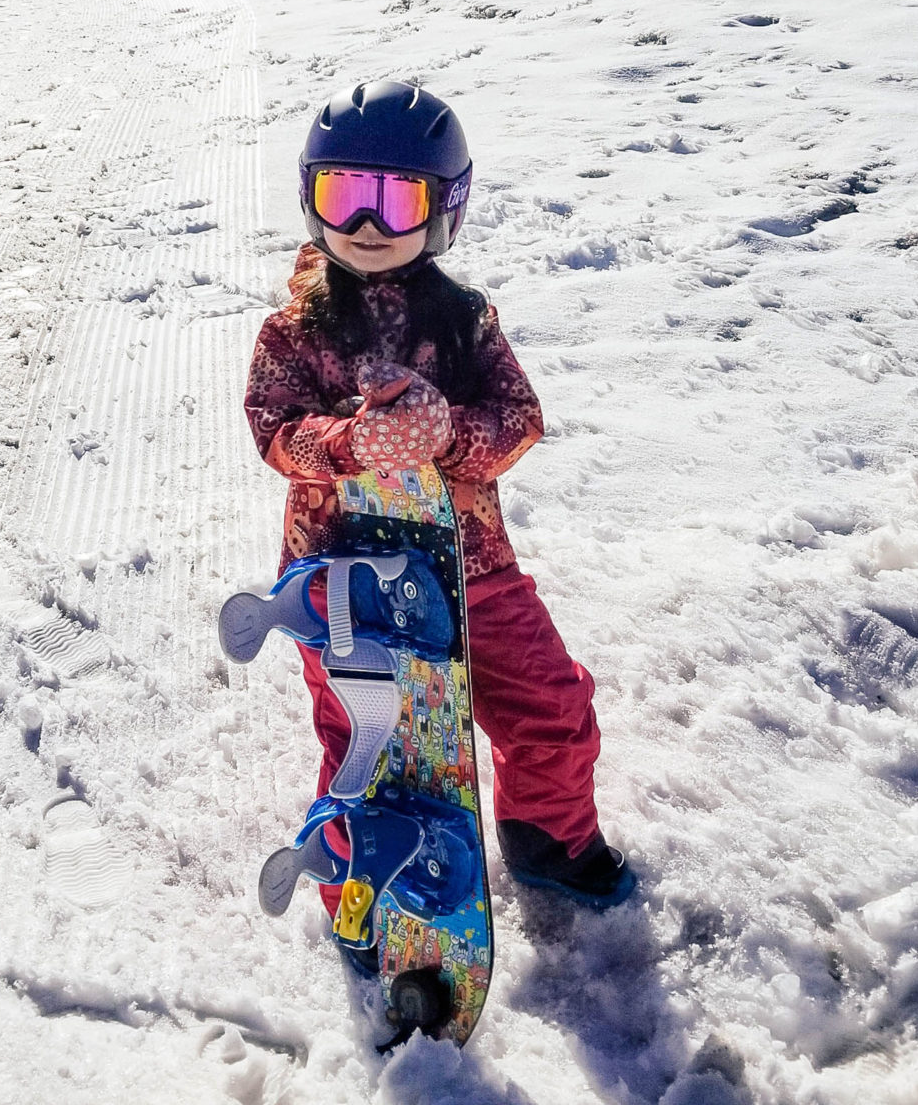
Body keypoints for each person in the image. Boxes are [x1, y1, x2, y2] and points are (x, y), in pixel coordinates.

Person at [243, 78, 634, 925]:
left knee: (551, 704)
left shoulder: (466, 322)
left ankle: (550, 838)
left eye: (395, 200)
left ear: (443, 207)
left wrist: (446, 432)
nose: (367, 226)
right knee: (371, 739)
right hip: (347, 585)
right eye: (343, 196)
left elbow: (519, 419)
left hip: (472, 566)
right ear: (312, 200)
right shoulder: (292, 332)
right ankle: (362, 876)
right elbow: (273, 429)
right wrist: (348, 446)